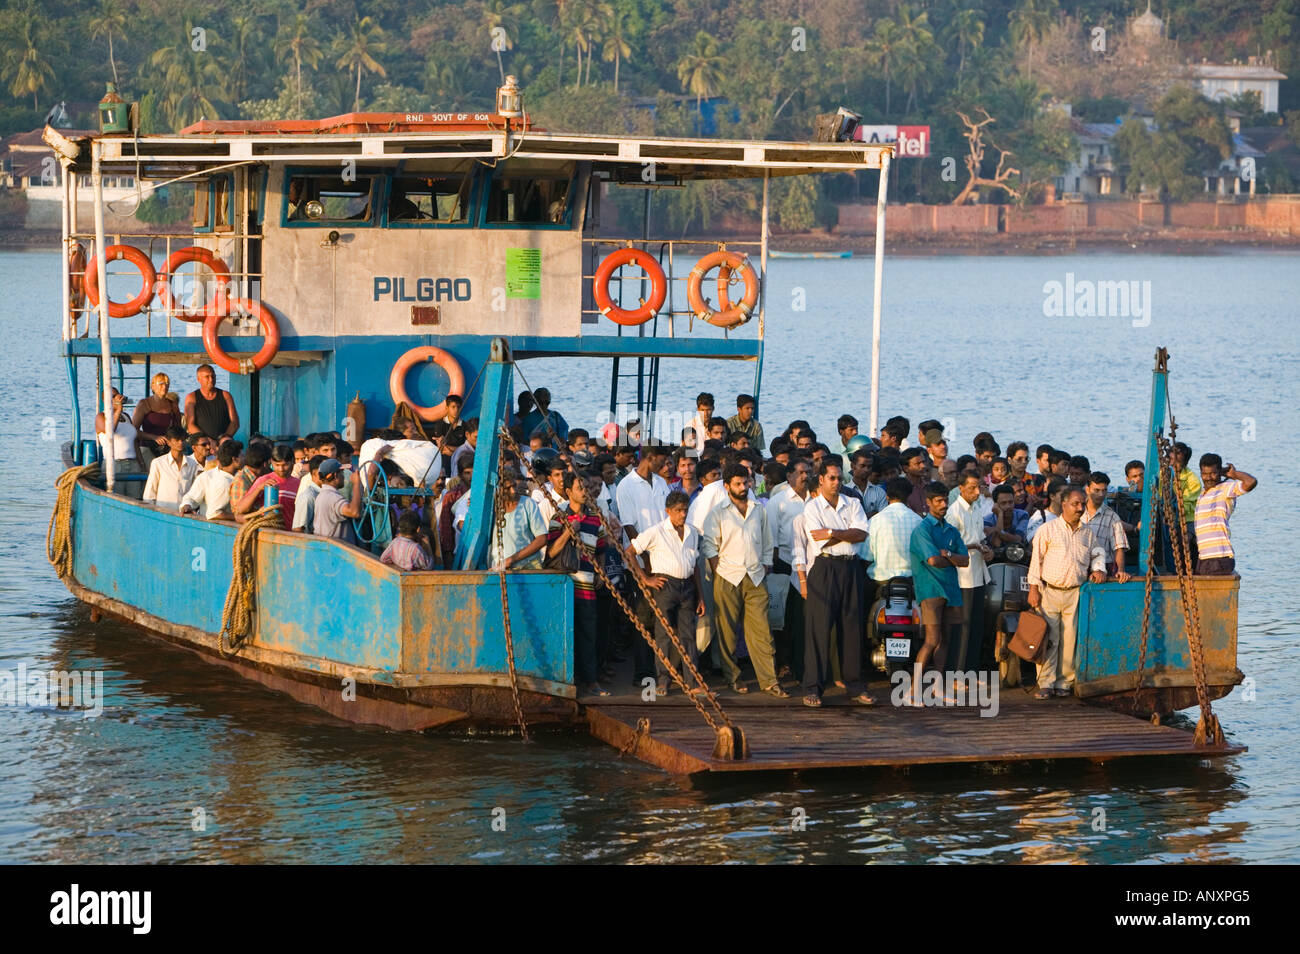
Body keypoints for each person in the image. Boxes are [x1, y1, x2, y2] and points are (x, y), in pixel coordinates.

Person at [700, 464, 782, 696]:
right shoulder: (717, 512)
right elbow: (709, 546)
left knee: (762, 632)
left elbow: (768, 541)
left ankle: (769, 680)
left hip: (756, 576)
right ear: (727, 486)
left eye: (745, 483)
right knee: (727, 632)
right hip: (727, 576)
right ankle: (733, 677)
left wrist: (766, 565)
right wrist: (718, 571)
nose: (743, 487)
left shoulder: (758, 509)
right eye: (737, 484)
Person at [799, 459, 873, 707]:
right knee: (818, 629)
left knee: (852, 629)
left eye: (839, 478)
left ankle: (854, 685)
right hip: (824, 567)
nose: (836, 482)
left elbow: (861, 535)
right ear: (821, 479)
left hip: (851, 567)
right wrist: (845, 534)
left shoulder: (852, 502)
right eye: (831, 478)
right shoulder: (811, 508)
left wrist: (831, 532)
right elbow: (818, 542)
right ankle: (813, 688)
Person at [1026, 485, 1106, 698]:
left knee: (1070, 639)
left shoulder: (1087, 533)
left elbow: (1098, 553)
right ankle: (1045, 683)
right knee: (1050, 638)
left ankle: (1064, 683)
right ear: (1064, 504)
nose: (1080, 508)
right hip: (1049, 591)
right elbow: (1036, 561)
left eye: (1082, 504)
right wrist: (1033, 589)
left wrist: (1098, 569)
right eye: (1075, 504)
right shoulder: (1047, 530)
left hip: (1075, 592)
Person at [625, 490, 706, 696]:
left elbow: (695, 565)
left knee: (688, 635)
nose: (682, 515)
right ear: (668, 511)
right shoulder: (656, 531)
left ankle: (692, 681)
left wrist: (701, 596)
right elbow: (630, 552)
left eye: (685, 510)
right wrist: (645, 578)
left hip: (687, 585)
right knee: (664, 635)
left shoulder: (692, 532)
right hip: (664, 585)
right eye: (678, 511)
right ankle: (663, 681)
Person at [546, 471, 611, 697]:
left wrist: (601, 573)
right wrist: (567, 533)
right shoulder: (558, 517)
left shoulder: (595, 518)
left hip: (587, 585)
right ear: (568, 492)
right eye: (580, 488)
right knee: (565, 635)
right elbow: (551, 552)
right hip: (564, 586)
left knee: (588, 635)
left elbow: (602, 548)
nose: (585, 492)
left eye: (585, 488)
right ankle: (568, 680)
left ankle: (590, 681)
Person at [905, 482, 969, 706]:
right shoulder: (922, 530)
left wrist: (948, 555)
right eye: (939, 501)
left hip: (950, 589)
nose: (943, 504)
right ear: (929, 503)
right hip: (930, 590)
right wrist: (952, 558)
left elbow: (966, 560)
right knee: (932, 640)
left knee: (945, 640)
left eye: (945, 500)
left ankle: (937, 689)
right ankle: (912, 691)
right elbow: (933, 561)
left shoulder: (950, 530)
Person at [766, 457, 812, 679]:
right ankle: (784, 662)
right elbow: (772, 539)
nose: (806, 476)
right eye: (802, 472)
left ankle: (804, 663)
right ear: (790, 476)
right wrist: (776, 568)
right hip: (785, 562)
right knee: (784, 618)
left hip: (811, 565)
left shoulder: (816, 498)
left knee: (805, 618)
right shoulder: (779, 501)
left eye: (809, 471)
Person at [947, 473, 993, 674]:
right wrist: (973, 546)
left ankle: (970, 671)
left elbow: (981, 538)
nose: (977, 492)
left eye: (979, 488)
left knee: (976, 625)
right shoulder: (954, 512)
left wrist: (985, 548)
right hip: (962, 576)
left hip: (978, 573)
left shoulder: (976, 509)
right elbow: (948, 547)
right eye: (972, 488)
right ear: (961, 488)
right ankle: (956, 672)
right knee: (962, 627)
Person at [1194, 455, 1257, 576]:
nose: (1208, 478)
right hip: (1203, 558)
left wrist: (1234, 475)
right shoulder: (1202, 494)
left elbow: (1251, 482)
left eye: (1213, 473)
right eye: (1205, 474)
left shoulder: (1226, 489)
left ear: (1220, 472)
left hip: (1219, 558)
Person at [868, 476, 922, 587]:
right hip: (912, 581)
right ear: (909, 496)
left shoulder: (874, 521)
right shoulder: (918, 521)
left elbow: (866, 556)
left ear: (887, 496)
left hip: (881, 582)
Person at [1081, 472, 1130, 581]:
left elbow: (1119, 547)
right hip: (1080, 565)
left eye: (1104, 491)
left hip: (1103, 568)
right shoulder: (1078, 511)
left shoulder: (1112, 517)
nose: (1101, 494)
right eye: (1096, 490)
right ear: (1087, 489)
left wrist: (1121, 570)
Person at [132, 372, 183, 467]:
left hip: (167, 448)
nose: (165, 387)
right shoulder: (144, 404)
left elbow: (178, 429)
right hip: (147, 446)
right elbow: (133, 431)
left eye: (167, 384)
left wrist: (172, 440)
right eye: (161, 384)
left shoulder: (173, 405)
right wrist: (153, 437)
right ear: (153, 386)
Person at [179, 441, 242, 519]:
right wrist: (187, 505)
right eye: (242, 455)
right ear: (235, 460)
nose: (244, 458)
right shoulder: (209, 477)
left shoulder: (241, 477)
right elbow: (191, 498)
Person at [142, 426, 198, 510]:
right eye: (177, 440)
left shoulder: (192, 464)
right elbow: (150, 492)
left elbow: (195, 492)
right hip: (162, 512)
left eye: (182, 440)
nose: (180, 443)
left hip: (185, 513)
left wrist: (190, 506)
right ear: (168, 442)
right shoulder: (158, 463)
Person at [184, 364, 239, 444]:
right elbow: (190, 425)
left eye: (213, 376)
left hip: (224, 443)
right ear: (198, 379)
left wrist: (223, 440)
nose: (211, 379)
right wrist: (208, 441)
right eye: (207, 377)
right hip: (202, 443)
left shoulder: (225, 395)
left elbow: (235, 422)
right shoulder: (191, 397)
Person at [95, 387, 141, 481]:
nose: (117, 398)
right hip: (115, 464)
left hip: (132, 463)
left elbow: (134, 440)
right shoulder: (101, 417)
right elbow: (110, 431)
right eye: (113, 396)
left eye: (118, 395)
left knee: (134, 495)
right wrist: (118, 410)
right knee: (117, 494)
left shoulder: (126, 416)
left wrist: (141, 462)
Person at [313, 458, 365, 542]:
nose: (343, 476)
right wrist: (356, 483)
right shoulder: (332, 497)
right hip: (334, 551)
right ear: (335, 476)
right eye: (342, 473)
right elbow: (354, 512)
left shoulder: (322, 495)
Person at [1026, 477, 1068, 541]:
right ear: (1052, 496)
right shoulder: (1040, 517)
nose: (1067, 497)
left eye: (1068, 494)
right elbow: (1033, 542)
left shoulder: (1070, 516)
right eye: (1063, 494)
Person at [292, 455, 327, 532]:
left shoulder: (326, 492)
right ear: (315, 473)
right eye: (326, 471)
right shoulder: (308, 497)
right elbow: (298, 529)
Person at [900, 447, 930, 516]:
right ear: (906, 468)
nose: (923, 466)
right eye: (918, 463)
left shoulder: (930, 485)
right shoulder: (901, 489)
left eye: (923, 462)